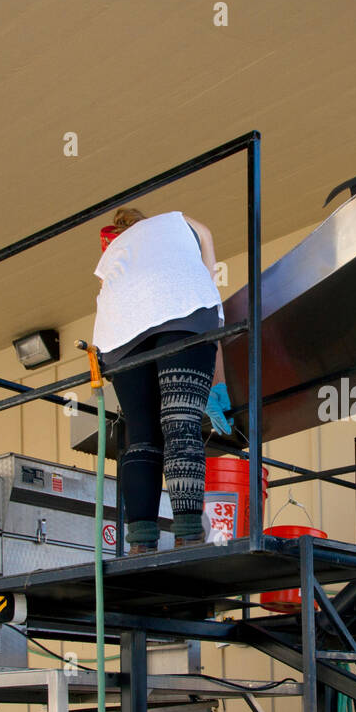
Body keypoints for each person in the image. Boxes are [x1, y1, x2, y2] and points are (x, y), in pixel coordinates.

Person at [92, 207, 233, 552]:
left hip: (118, 337)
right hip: (183, 312)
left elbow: (109, 301)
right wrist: (218, 385)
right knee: (181, 422)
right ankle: (188, 536)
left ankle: (141, 543)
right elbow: (209, 295)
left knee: (140, 435)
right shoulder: (186, 223)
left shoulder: (114, 251)